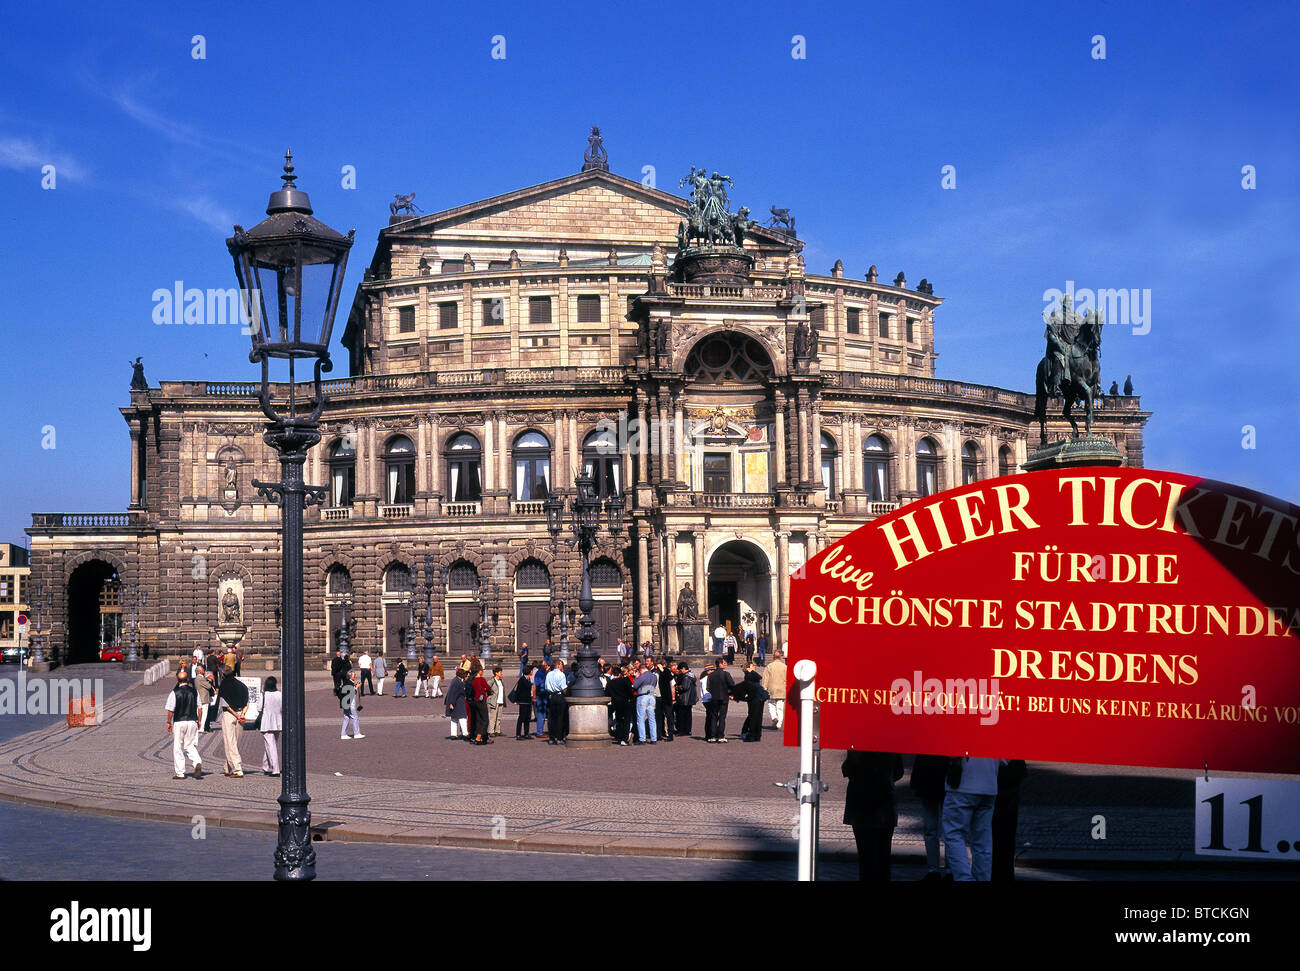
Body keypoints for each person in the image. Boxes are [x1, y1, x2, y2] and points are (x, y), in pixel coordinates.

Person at [842, 751, 905, 881]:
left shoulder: (857, 744)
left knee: (865, 857)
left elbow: (847, 769)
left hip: (861, 804)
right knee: (883, 856)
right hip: (885, 803)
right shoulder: (890, 743)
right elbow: (899, 771)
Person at [942, 756, 1002, 881]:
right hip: (989, 784)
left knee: (954, 835)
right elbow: (1006, 758)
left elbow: (950, 753)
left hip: (962, 785)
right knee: (982, 841)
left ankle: (964, 878)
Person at [910, 754, 949, 880]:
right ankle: (946, 870)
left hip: (928, 772)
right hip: (943, 772)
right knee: (947, 829)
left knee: (932, 828)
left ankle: (935, 870)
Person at [164, 668, 203, 780]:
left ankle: (180, 772)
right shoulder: (194, 691)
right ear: (187, 679)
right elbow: (200, 707)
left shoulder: (174, 692)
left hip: (179, 721)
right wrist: (199, 720)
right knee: (189, 745)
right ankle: (197, 762)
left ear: (177, 679)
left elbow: (171, 709)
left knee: (178, 746)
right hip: (192, 720)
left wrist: (168, 722)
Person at [993, 759, 1028, 881]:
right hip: (1009, 777)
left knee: (994, 834)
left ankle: (998, 872)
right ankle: (1004, 873)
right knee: (1007, 835)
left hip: (999, 778)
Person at [216, 664, 249, 776]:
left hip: (230, 715)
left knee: (230, 742)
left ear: (223, 675)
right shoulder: (242, 685)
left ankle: (237, 769)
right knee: (236, 742)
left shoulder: (224, 685)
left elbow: (226, 706)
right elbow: (247, 703)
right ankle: (227, 767)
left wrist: (236, 715)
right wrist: (242, 714)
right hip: (241, 714)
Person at [733, 662, 767, 741]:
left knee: (756, 716)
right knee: (753, 716)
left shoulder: (753, 675)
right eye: (752, 666)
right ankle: (751, 733)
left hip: (758, 697)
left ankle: (755, 734)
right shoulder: (749, 676)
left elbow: (758, 678)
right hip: (753, 698)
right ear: (748, 668)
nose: (754, 667)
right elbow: (746, 686)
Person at [704, 660, 734, 742]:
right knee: (722, 717)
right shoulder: (726, 674)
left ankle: (712, 736)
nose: (725, 664)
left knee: (714, 717)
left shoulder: (711, 675)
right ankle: (721, 736)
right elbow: (732, 685)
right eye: (724, 663)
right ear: (720, 664)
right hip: (724, 697)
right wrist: (730, 693)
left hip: (714, 698)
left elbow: (708, 688)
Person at [260, 676, 283, 776]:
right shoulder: (280, 694)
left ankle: (275, 769)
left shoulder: (264, 694)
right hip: (278, 722)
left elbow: (259, 708)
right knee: (270, 744)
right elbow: (282, 707)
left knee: (271, 745)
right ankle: (265, 765)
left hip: (267, 722)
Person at [632, 663, 659, 744]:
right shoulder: (654, 676)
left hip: (642, 696)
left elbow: (635, 685)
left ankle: (642, 739)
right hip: (651, 696)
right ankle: (654, 738)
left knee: (640, 718)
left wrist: (636, 677)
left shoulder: (642, 676)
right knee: (652, 719)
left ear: (641, 669)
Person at [607, 666, 634, 745]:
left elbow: (607, 694)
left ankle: (621, 737)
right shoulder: (625, 680)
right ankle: (625, 738)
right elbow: (630, 691)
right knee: (627, 721)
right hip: (625, 702)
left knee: (620, 721)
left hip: (616, 704)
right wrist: (631, 698)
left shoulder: (610, 683)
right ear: (619, 674)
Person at [761, 651, 787, 730]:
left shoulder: (769, 666)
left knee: (771, 705)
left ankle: (774, 717)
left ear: (773, 657)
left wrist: (764, 688)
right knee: (780, 707)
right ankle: (779, 724)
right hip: (782, 688)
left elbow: (765, 678)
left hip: (771, 688)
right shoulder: (784, 666)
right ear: (780, 657)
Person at [545, 659, 568, 744]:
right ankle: (559, 737)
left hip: (551, 696)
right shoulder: (561, 675)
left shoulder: (549, 674)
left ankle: (551, 737)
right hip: (559, 696)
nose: (562, 666)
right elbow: (564, 688)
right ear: (558, 665)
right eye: (561, 664)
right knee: (560, 718)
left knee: (551, 718)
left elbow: (546, 686)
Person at [445, 669, 470, 739]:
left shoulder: (454, 680)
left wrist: (450, 702)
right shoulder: (458, 682)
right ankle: (465, 733)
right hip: (458, 702)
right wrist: (451, 703)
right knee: (462, 717)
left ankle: (453, 734)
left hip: (455, 702)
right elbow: (454, 693)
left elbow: (451, 693)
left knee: (454, 718)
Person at [470, 668, 492, 744]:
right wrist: (485, 689)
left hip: (475, 701)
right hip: (481, 701)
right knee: (485, 720)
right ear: (479, 672)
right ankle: (478, 737)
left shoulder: (473, 680)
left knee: (479, 719)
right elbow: (488, 687)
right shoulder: (481, 679)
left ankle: (481, 737)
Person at [655, 659, 675, 741]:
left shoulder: (667, 672)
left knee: (669, 716)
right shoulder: (656, 673)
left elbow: (671, 682)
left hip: (666, 697)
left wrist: (673, 698)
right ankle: (659, 734)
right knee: (659, 717)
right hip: (658, 697)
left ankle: (670, 735)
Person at [339, 670, 363, 740]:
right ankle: (357, 733)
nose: (355, 676)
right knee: (355, 717)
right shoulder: (349, 683)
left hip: (345, 703)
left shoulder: (347, 682)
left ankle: (343, 734)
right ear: (350, 676)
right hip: (349, 704)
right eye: (354, 675)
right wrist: (357, 687)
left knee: (346, 718)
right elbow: (351, 693)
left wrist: (355, 686)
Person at [673, 663, 696, 736]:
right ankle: (687, 730)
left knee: (681, 715)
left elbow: (684, 687)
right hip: (690, 699)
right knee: (688, 715)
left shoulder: (686, 677)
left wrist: (676, 687)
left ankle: (682, 730)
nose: (679, 671)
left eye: (680, 670)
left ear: (683, 668)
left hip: (684, 698)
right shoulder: (691, 675)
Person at [193, 663, 215, 735]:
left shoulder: (198, 678)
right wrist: (210, 680)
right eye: (203, 670)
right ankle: (201, 728)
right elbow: (208, 686)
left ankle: (200, 727)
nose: (204, 671)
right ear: (200, 671)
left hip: (200, 698)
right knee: (203, 714)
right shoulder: (200, 678)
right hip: (203, 698)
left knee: (200, 714)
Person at [514, 664, 534, 738]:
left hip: (528, 700)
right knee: (521, 717)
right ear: (529, 671)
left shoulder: (528, 679)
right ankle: (518, 734)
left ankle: (526, 733)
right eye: (531, 671)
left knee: (527, 718)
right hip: (523, 701)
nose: (532, 672)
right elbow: (518, 690)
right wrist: (516, 700)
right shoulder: (522, 679)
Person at [486, 665, 506, 737]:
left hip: (500, 700)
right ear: (496, 673)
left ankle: (497, 730)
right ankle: (491, 731)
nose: (501, 673)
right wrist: (490, 693)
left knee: (499, 717)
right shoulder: (492, 680)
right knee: (493, 717)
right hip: (494, 701)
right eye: (500, 672)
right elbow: (486, 687)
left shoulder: (500, 681)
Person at [533, 661, 549, 738]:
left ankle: (541, 731)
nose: (546, 667)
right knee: (541, 714)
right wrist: (534, 696)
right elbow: (535, 686)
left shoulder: (543, 673)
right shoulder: (539, 673)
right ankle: (539, 732)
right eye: (545, 665)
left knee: (543, 714)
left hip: (544, 695)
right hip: (541, 695)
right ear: (542, 666)